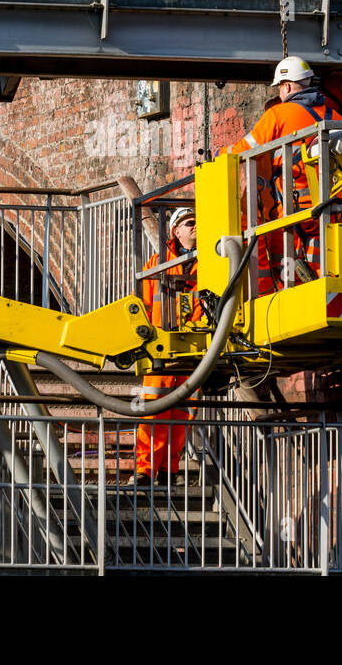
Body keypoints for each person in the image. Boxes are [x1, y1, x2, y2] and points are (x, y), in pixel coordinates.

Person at [225, 56, 342, 288]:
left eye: (280, 87)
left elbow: (244, 150)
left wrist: (221, 154)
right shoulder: (334, 116)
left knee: (286, 254)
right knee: (322, 252)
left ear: (287, 86)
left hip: (295, 204)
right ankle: (323, 286)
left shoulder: (278, 114)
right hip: (332, 203)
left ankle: (291, 290)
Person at [133, 206, 200, 483]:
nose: (195, 225)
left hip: (194, 348)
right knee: (151, 410)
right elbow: (145, 304)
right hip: (160, 348)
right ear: (176, 231)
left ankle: (169, 470)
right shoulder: (157, 263)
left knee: (183, 414)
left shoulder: (208, 261)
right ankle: (144, 469)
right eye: (189, 222)